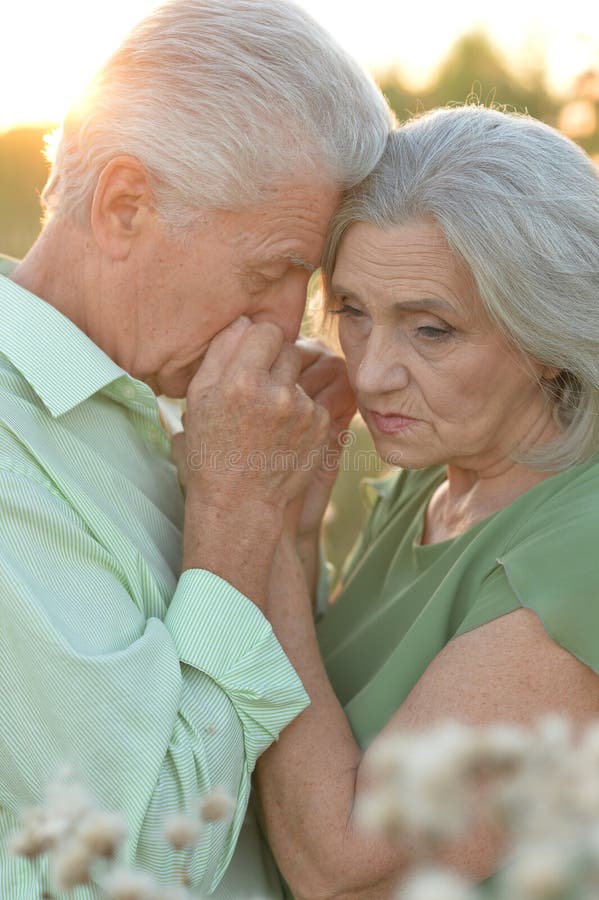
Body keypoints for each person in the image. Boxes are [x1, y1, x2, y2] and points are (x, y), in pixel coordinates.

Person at [0, 0, 394, 895]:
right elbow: (140, 857)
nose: (284, 323)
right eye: (267, 272)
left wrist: (288, 528)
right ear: (124, 206)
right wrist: (232, 516)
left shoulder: (151, 401)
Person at [242, 105, 599, 899]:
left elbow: (345, 872)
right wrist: (298, 524)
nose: (369, 374)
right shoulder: (428, 476)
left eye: (429, 331)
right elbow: (319, 701)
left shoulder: (578, 553)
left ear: (548, 339)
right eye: (354, 314)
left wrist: (247, 527)